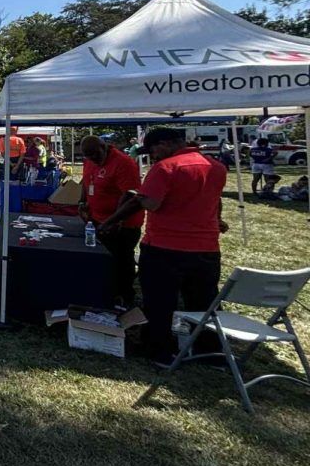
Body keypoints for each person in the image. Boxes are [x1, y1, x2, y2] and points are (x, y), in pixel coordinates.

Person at [98, 127, 228, 365]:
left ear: (166, 144)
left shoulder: (166, 167)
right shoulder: (216, 167)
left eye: (153, 150)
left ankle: (159, 350)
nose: (153, 155)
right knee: (203, 302)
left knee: (160, 302)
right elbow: (215, 200)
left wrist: (133, 201)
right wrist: (217, 219)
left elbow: (152, 204)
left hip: (165, 247)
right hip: (207, 248)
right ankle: (209, 351)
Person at [78, 136, 143, 307]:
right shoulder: (90, 161)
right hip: (97, 219)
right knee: (102, 259)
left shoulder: (124, 163)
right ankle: (104, 291)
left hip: (123, 224)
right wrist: (82, 202)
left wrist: (114, 220)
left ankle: (124, 296)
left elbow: (130, 195)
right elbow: (86, 182)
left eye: (94, 155)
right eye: (88, 156)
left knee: (121, 260)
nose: (92, 159)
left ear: (104, 146)